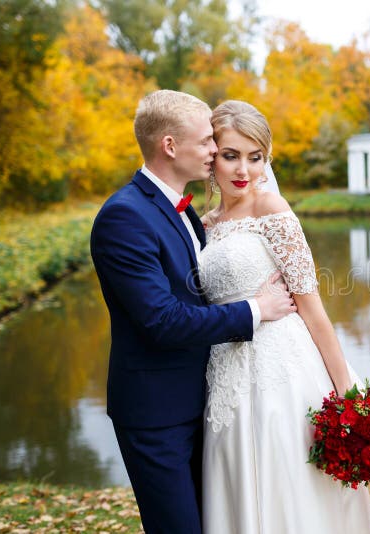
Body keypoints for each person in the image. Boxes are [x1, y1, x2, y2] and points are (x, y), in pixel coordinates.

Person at [199, 100, 370, 533]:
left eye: (255, 157)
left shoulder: (272, 210)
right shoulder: (203, 224)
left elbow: (312, 306)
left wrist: (348, 393)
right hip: (225, 374)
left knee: (294, 486)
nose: (244, 169)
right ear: (212, 157)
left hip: (281, 370)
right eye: (231, 155)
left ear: (267, 159)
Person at [89, 90, 296, 534]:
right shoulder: (124, 217)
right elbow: (162, 320)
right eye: (206, 142)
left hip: (207, 400)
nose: (212, 151)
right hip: (156, 413)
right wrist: (255, 309)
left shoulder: (182, 211)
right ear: (169, 146)